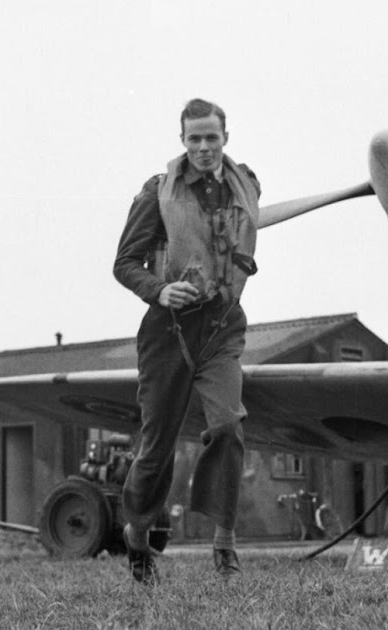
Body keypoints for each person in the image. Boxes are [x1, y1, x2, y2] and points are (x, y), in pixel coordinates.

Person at [113, 98, 261, 583]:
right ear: (182, 141)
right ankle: (137, 536)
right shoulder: (157, 193)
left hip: (221, 326)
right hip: (169, 330)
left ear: (225, 138)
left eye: (211, 138)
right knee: (156, 448)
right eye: (194, 138)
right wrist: (159, 290)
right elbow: (125, 263)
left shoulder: (247, 185)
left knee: (227, 427)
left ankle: (224, 540)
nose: (203, 147)